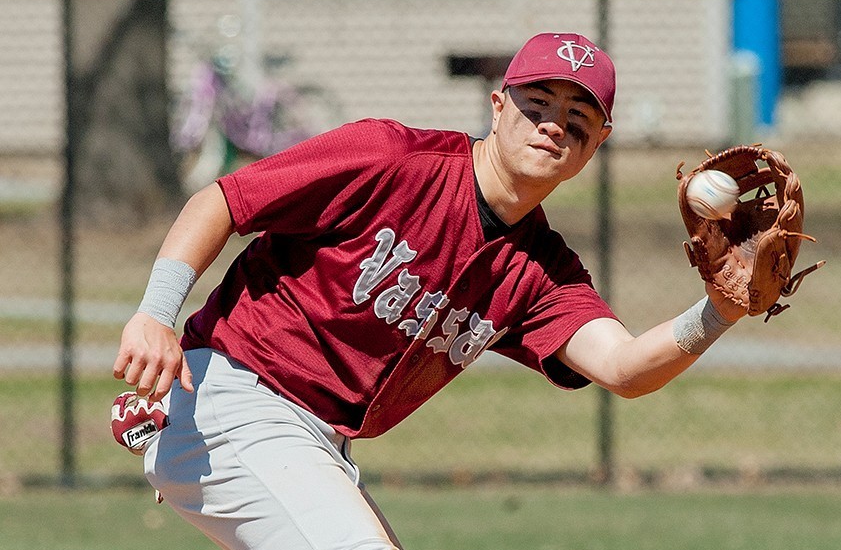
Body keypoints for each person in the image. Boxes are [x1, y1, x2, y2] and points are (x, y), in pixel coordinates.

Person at [113, 32, 746, 550]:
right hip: (230, 399)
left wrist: (721, 309)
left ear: (596, 145)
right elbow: (223, 200)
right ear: (498, 106)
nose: (553, 125)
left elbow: (625, 367)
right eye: (538, 103)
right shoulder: (392, 158)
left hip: (314, 440)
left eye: (577, 117)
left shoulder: (539, 270)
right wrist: (154, 314)